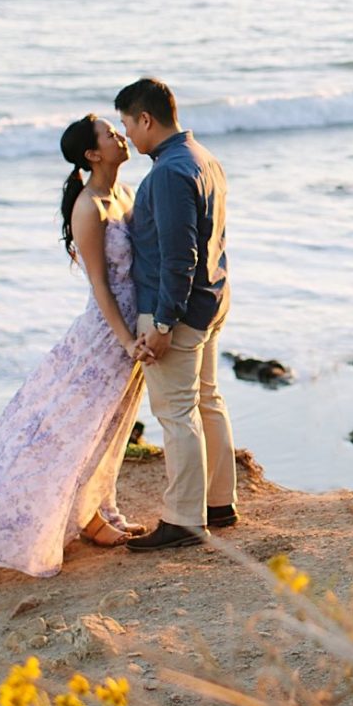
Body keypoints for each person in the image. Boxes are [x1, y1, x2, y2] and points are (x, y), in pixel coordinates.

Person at [0, 114, 149, 578]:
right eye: (109, 133)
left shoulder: (123, 193)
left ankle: (95, 514)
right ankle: (61, 520)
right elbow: (99, 286)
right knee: (73, 425)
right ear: (92, 154)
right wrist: (125, 339)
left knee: (111, 428)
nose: (119, 135)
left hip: (135, 328)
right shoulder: (89, 206)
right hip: (106, 334)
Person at [114, 78, 237, 550]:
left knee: (177, 411)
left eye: (128, 123)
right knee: (207, 399)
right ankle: (219, 503)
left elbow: (178, 256)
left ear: (145, 118)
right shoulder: (204, 157)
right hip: (213, 298)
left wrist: (163, 323)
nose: (127, 135)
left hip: (179, 309)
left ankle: (185, 519)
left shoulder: (167, 173)